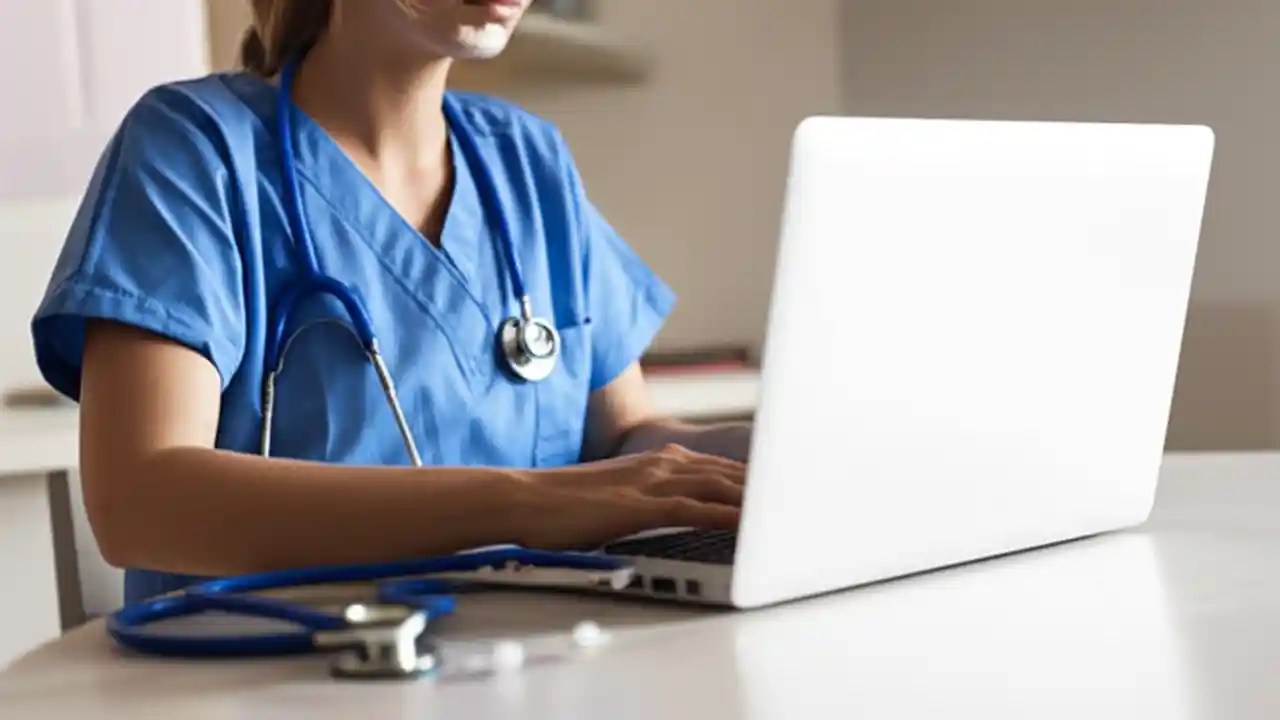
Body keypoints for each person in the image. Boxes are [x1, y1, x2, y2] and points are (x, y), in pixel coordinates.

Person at [29, 0, 751, 605]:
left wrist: (772, 454)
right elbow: (141, 502)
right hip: (264, 681)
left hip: (525, 664)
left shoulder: (528, 160)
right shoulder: (195, 149)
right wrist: (530, 504)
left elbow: (623, 440)